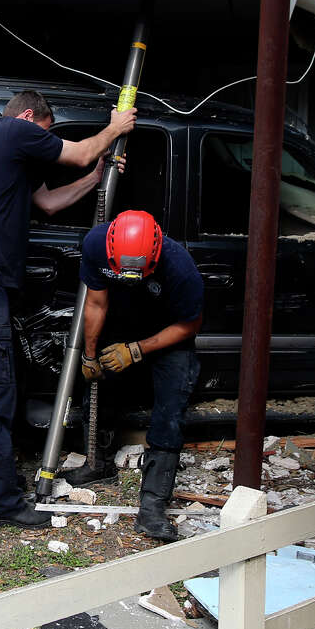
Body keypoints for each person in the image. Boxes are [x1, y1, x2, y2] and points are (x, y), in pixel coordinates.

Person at [0, 90, 135, 529]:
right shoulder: (11, 131)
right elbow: (81, 152)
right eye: (43, 134)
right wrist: (116, 127)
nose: (42, 142)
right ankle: (1, 503)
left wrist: (97, 175)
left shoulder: (3, 150)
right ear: (29, 118)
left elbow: (49, 202)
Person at [77, 209, 203, 542]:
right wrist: (90, 355)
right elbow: (96, 304)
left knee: (170, 412)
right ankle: (97, 463)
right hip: (122, 323)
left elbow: (190, 325)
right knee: (97, 381)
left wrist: (135, 351)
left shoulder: (179, 266)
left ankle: (152, 509)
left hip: (167, 337)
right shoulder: (96, 244)